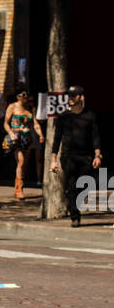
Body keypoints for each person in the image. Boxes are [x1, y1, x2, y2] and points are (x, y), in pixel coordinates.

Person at [52, 85, 103, 227]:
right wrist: (53, 160)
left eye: (74, 96)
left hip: (86, 156)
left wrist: (97, 156)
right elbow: (57, 140)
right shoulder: (63, 117)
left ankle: (72, 202)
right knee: (72, 185)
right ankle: (75, 216)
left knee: (85, 184)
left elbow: (95, 138)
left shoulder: (90, 116)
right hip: (68, 156)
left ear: (81, 97)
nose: (71, 99)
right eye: (69, 96)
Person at [3, 89, 44, 200]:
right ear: (18, 96)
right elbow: (6, 123)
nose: (26, 97)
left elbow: (35, 124)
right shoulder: (12, 107)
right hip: (16, 138)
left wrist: (40, 135)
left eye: (27, 94)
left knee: (23, 164)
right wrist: (11, 133)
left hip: (27, 138)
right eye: (23, 94)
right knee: (20, 161)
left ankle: (18, 187)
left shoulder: (30, 108)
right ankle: (19, 189)